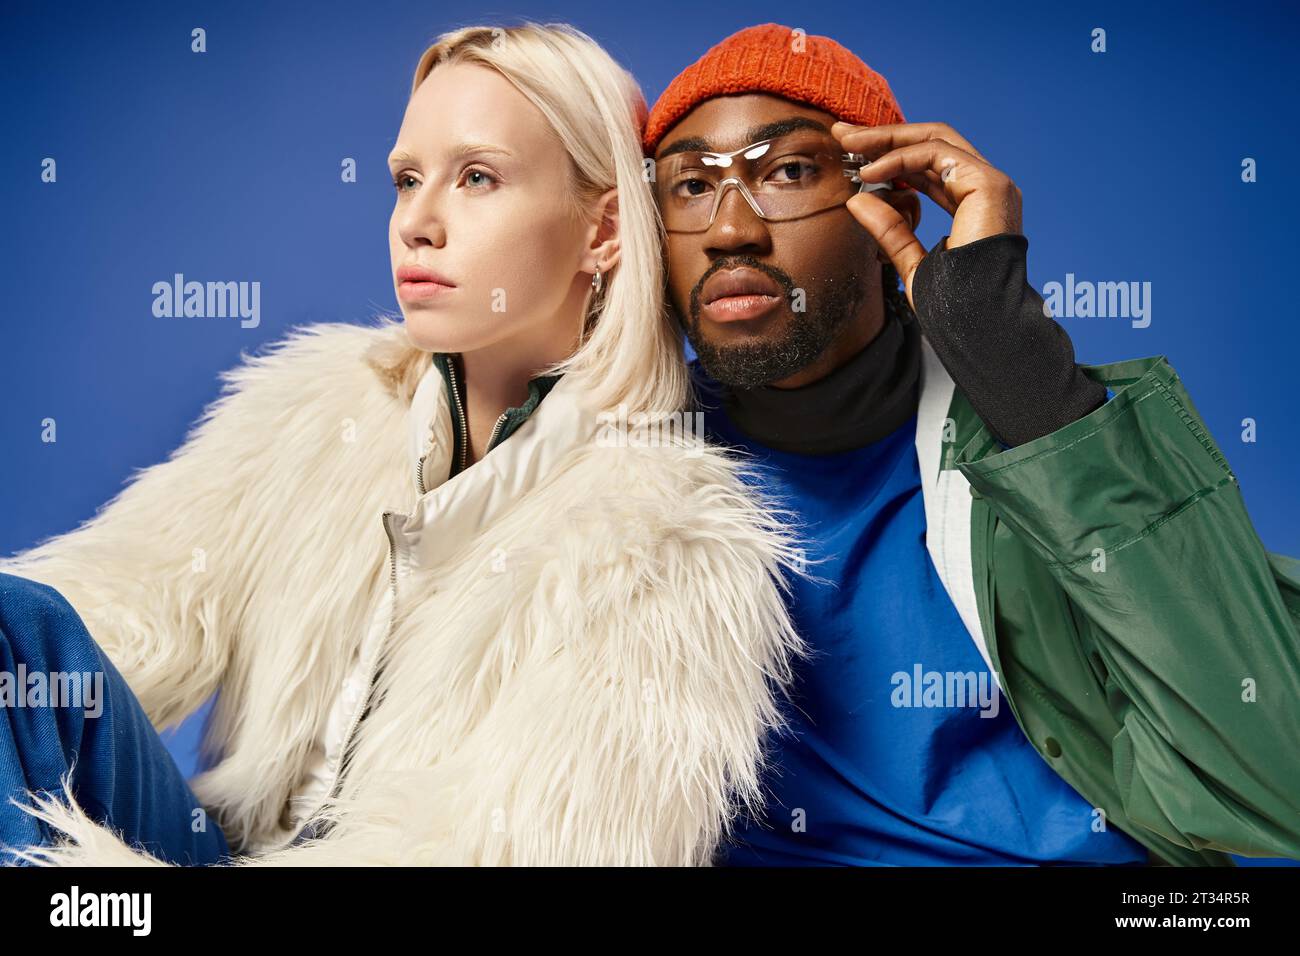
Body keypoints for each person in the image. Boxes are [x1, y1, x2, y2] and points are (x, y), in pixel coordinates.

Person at [0, 22, 809, 866]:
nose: (417, 222)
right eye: (407, 180)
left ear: (603, 230)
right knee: (17, 627)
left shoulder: (662, 544)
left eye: (477, 177)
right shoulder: (310, 411)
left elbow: (504, 850)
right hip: (210, 846)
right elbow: (126, 607)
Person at [645, 23, 1300, 866]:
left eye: (790, 172)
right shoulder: (614, 462)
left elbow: (1277, 781)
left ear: (890, 208)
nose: (731, 228)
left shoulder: (1044, 427)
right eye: (691, 186)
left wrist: (1021, 371)